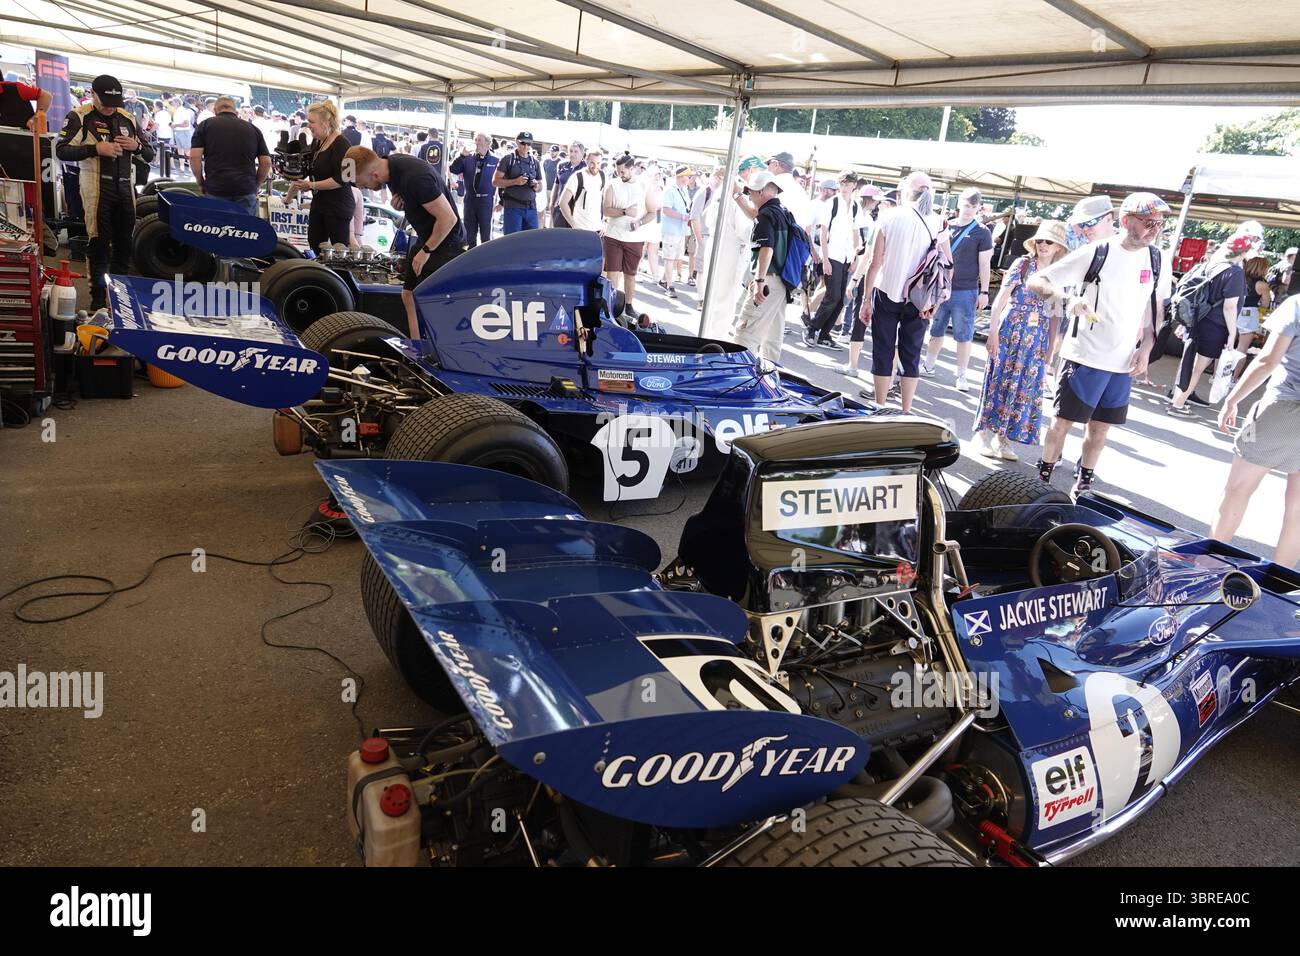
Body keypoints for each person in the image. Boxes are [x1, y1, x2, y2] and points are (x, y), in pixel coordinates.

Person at [1026, 192, 1173, 497]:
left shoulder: (1156, 258)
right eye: (1147, 222)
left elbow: (1153, 309)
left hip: (1120, 363)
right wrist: (1068, 298)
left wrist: (1146, 348)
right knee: (1062, 422)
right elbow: (1038, 281)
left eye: (1158, 223)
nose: (1153, 229)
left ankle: (1084, 484)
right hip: (1083, 357)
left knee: (1100, 428)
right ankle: (1042, 478)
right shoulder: (1097, 252)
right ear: (1125, 220)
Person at [1212, 295, 1300, 566]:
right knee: (1297, 511)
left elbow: (1268, 361)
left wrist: (1232, 399)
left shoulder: (1296, 305)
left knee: (1237, 490)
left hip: (1280, 409)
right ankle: (1281, 587)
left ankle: (1210, 565)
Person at [55, 75, 154, 311]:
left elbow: (149, 154)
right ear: (93, 94)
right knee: (98, 242)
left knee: (124, 244)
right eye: (105, 101)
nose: (110, 106)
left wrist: (136, 147)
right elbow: (61, 150)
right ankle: (98, 299)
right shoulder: (79, 116)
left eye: (114, 101)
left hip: (125, 189)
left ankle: (118, 298)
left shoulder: (128, 117)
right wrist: (95, 149)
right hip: (95, 188)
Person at [972, 221, 1069, 460]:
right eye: (1040, 240)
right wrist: (992, 332)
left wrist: (1050, 352)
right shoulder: (1023, 264)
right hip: (1010, 330)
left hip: (1036, 339)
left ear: (1058, 247)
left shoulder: (1059, 274)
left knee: (1023, 388)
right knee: (998, 381)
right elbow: (1000, 300)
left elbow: (1057, 315)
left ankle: (1003, 440)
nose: (1043, 245)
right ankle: (983, 434)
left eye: (1049, 241)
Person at [348, 146, 466, 339]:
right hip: (426, 237)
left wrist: (426, 251)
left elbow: (448, 219)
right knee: (408, 294)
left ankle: (437, 348)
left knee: (425, 299)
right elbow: (418, 201)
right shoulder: (390, 169)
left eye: (364, 184)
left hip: (446, 243)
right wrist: (404, 205)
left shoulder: (415, 178)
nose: (363, 188)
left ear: (375, 174)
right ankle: (417, 347)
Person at [853, 172, 948, 412]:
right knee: (911, 352)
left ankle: (880, 405)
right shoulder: (940, 222)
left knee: (883, 348)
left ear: (906, 191)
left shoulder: (889, 216)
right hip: (920, 297)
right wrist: (936, 302)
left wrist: (866, 299)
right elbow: (947, 264)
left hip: (887, 289)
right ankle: (906, 410)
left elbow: (876, 263)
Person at [1168, 230, 1253, 416]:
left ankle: (1176, 398)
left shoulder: (1211, 264)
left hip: (1196, 320)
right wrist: (1232, 333)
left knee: (1188, 362)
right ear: (1244, 252)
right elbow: (1230, 307)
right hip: (1215, 326)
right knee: (1197, 368)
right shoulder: (1234, 272)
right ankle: (1178, 405)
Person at [921, 187, 993, 391]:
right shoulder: (947, 225)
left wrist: (985, 292)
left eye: (973, 206)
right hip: (941, 287)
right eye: (966, 204)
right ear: (959, 203)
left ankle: (961, 374)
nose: (968, 209)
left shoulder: (982, 231)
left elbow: (985, 263)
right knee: (936, 329)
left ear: (978, 208)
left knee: (964, 334)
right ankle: (928, 365)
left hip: (966, 289)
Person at [700, 155, 766, 339]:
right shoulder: (742, 191)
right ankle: (715, 341)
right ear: (750, 171)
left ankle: (706, 335)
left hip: (714, 243)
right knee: (725, 299)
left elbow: (706, 218)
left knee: (712, 296)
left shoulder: (723, 186)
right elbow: (744, 230)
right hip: (730, 247)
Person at [731, 171, 792, 364]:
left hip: (767, 280)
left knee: (745, 334)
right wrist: (738, 196)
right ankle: (770, 378)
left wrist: (759, 281)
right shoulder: (783, 211)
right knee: (772, 338)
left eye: (752, 192)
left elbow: (767, 248)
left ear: (762, 191)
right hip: (782, 283)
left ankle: (741, 379)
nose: (750, 195)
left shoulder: (765, 215)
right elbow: (754, 214)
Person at [285, 100, 355, 253]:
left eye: (311, 122)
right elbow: (307, 170)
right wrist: (289, 194)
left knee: (338, 254)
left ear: (326, 123)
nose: (308, 126)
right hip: (320, 204)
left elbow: (343, 179)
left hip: (338, 207)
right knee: (315, 244)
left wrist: (311, 185)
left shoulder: (343, 144)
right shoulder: (318, 142)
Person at [806, 171, 865, 351]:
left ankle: (824, 334)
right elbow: (823, 233)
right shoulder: (832, 203)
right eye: (843, 183)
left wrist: (855, 258)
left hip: (847, 256)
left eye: (849, 183)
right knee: (833, 296)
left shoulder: (856, 206)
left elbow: (856, 234)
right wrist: (825, 260)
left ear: (854, 185)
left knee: (840, 300)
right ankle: (812, 327)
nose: (845, 186)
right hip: (832, 254)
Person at [189, 96, 269, 218]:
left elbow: (194, 157)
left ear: (215, 110)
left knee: (216, 230)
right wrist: (256, 184)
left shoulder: (205, 125)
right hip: (245, 188)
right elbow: (266, 163)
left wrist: (200, 182)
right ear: (235, 111)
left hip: (216, 187)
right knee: (245, 231)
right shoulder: (253, 129)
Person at [602, 154, 651, 317]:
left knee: (630, 274)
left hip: (635, 238)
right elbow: (606, 210)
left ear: (632, 169)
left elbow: (652, 212)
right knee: (612, 274)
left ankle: (629, 305)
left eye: (622, 172)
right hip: (613, 236)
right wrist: (624, 212)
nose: (619, 175)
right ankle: (611, 305)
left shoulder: (644, 185)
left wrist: (640, 223)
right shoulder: (612, 185)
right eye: (617, 171)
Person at [448, 132, 497, 247]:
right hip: (470, 199)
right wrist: (462, 155)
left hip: (486, 200)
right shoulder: (467, 158)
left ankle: (485, 259)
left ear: (488, 143)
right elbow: (453, 169)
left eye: (480, 140)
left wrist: (502, 201)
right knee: (469, 234)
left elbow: (502, 180)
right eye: (475, 140)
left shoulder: (495, 160)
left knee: (486, 235)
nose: (476, 143)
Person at [493, 131, 543, 234]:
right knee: (512, 242)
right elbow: (495, 182)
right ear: (516, 142)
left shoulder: (535, 162)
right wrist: (515, 181)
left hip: (531, 208)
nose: (526, 146)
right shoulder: (508, 159)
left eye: (529, 144)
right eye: (523, 143)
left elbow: (540, 186)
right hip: (513, 207)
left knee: (531, 241)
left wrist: (536, 186)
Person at [657, 166, 692, 299]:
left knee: (676, 257)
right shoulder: (670, 190)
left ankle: (663, 280)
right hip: (672, 229)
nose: (688, 178)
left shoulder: (683, 190)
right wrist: (683, 217)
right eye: (686, 176)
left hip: (681, 230)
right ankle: (669, 286)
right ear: (680, 177)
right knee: (669, 258)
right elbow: (666, 210)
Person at [556, 146, 605, 233]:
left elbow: (604, 201)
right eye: (592, 163)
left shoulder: (602, 176)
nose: (595, 166)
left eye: (598, 163)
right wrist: (574, 225)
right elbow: (562, 202)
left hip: (597, 230)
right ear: (586, 160)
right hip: (580, 230)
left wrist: (605, 222)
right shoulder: (577, 177)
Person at [1235, 255, 1273, 361]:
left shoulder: (1238, 278)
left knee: (1226, 346)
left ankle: (1216, 375)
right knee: (1242, 349)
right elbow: (1266, 304)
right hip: (1249, 314)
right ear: (1262, 268)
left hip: (1234, 310)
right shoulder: (1262, 285)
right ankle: (1234, 377)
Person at [549, 142, 585, 229]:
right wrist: (552, 203)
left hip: (577, 210)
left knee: (574, 238)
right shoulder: (562, 165)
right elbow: (556, 184)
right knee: (559, 237)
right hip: (560, 207)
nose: (572, 154)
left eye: (576, 151)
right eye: (571, 151)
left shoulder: (585, 168)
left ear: (582, 154)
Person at [171, 96, 195, 169]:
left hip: (184, 132)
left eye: (173, 103)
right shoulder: (177, 111)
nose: (172, 104)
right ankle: (182, 167)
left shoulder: (183, 111)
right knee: (180, 150)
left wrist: (175, 125)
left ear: (178, 103)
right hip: (178, 132)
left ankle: (191, 167)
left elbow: (186, 124)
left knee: (187, 151)